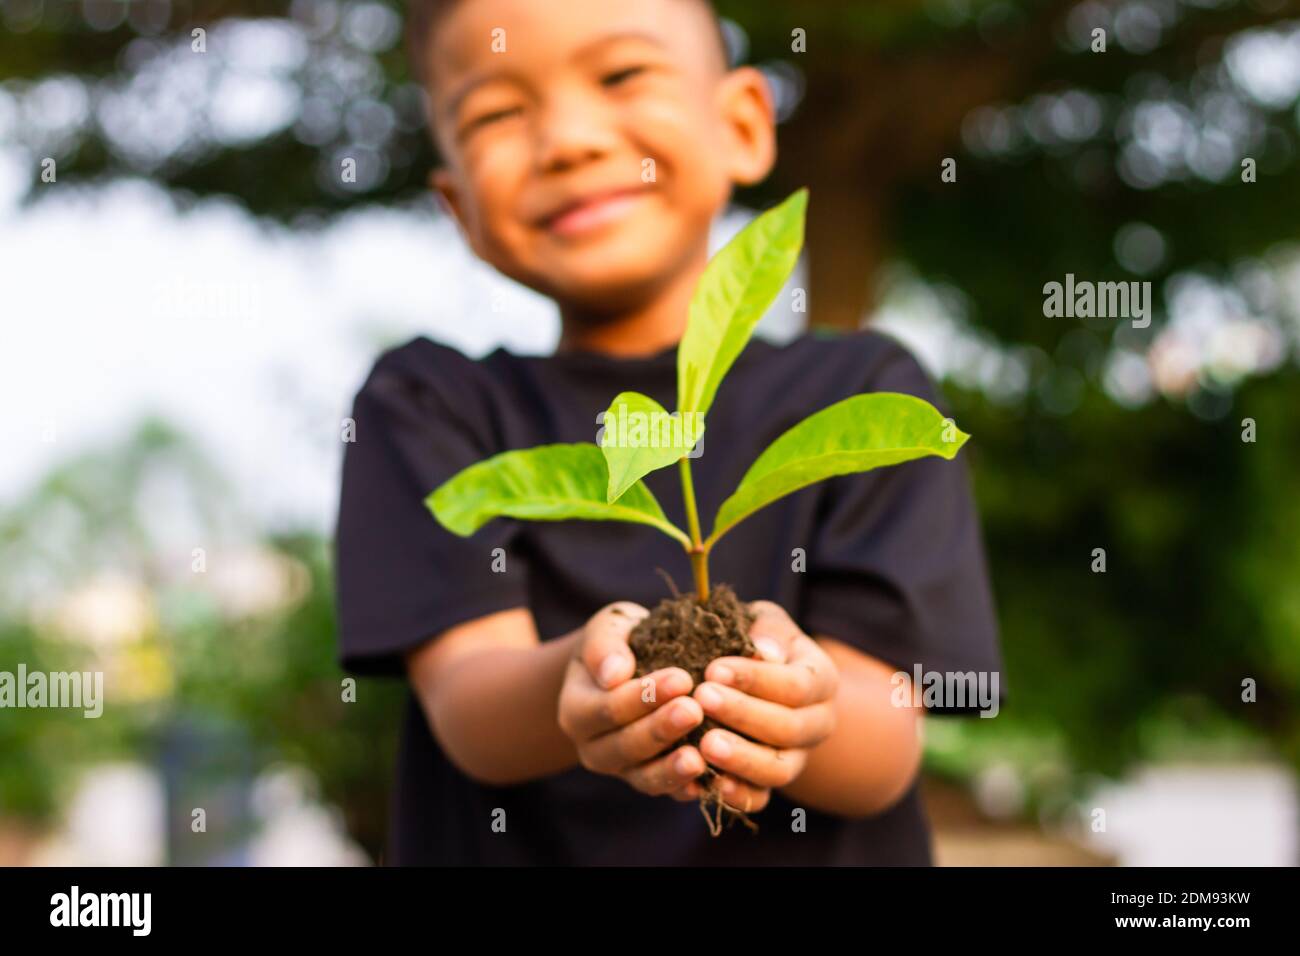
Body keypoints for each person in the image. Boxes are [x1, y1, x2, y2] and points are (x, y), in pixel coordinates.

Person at [334, 0, 1001, 865]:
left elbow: (885, 738)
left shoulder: (862, 395)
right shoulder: (426, 404)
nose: (570, 139)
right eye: (498, 112)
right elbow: (469, 700)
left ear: (743, 126)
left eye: (621, 75)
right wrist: (593, 677)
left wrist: (797, 705)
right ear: (459, 208)